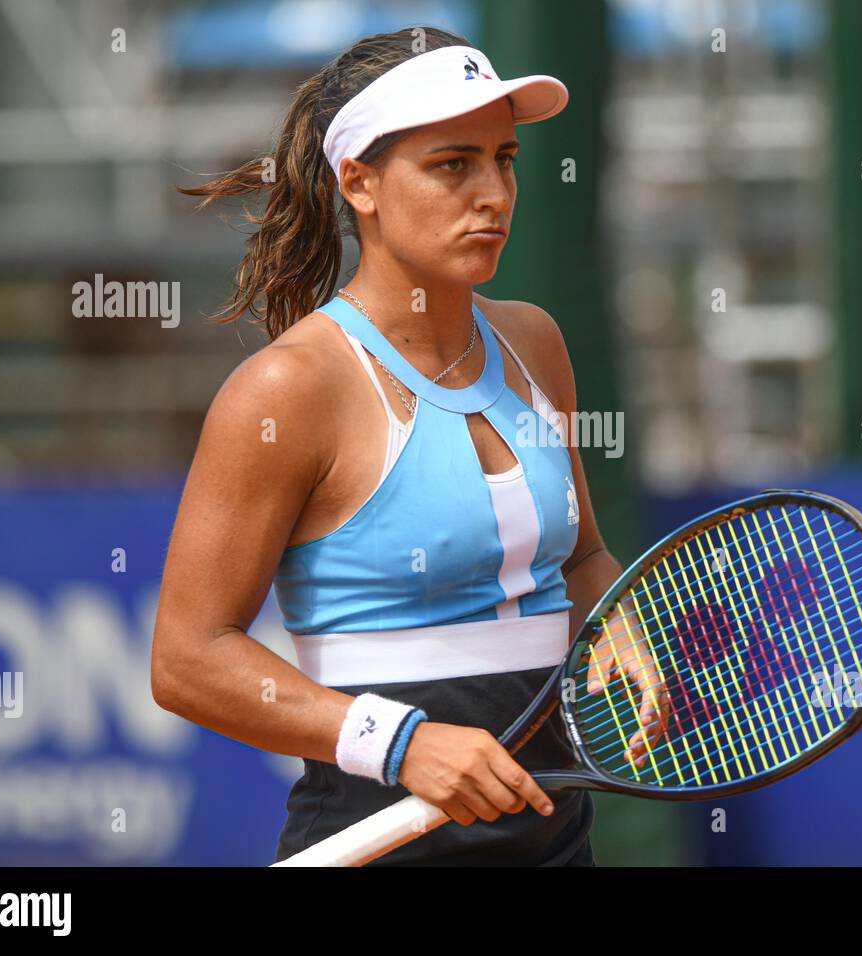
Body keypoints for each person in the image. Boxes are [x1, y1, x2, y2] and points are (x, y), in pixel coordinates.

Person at [152, 27, 654, 865]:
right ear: (360, 182)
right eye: (453, 165)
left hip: (557, 845)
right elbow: (187, 661)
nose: (493, 193)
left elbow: (582, 559)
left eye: (506, 159)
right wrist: (404, 743)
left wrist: (618, 624)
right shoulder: (288, 390)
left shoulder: (538, 343)